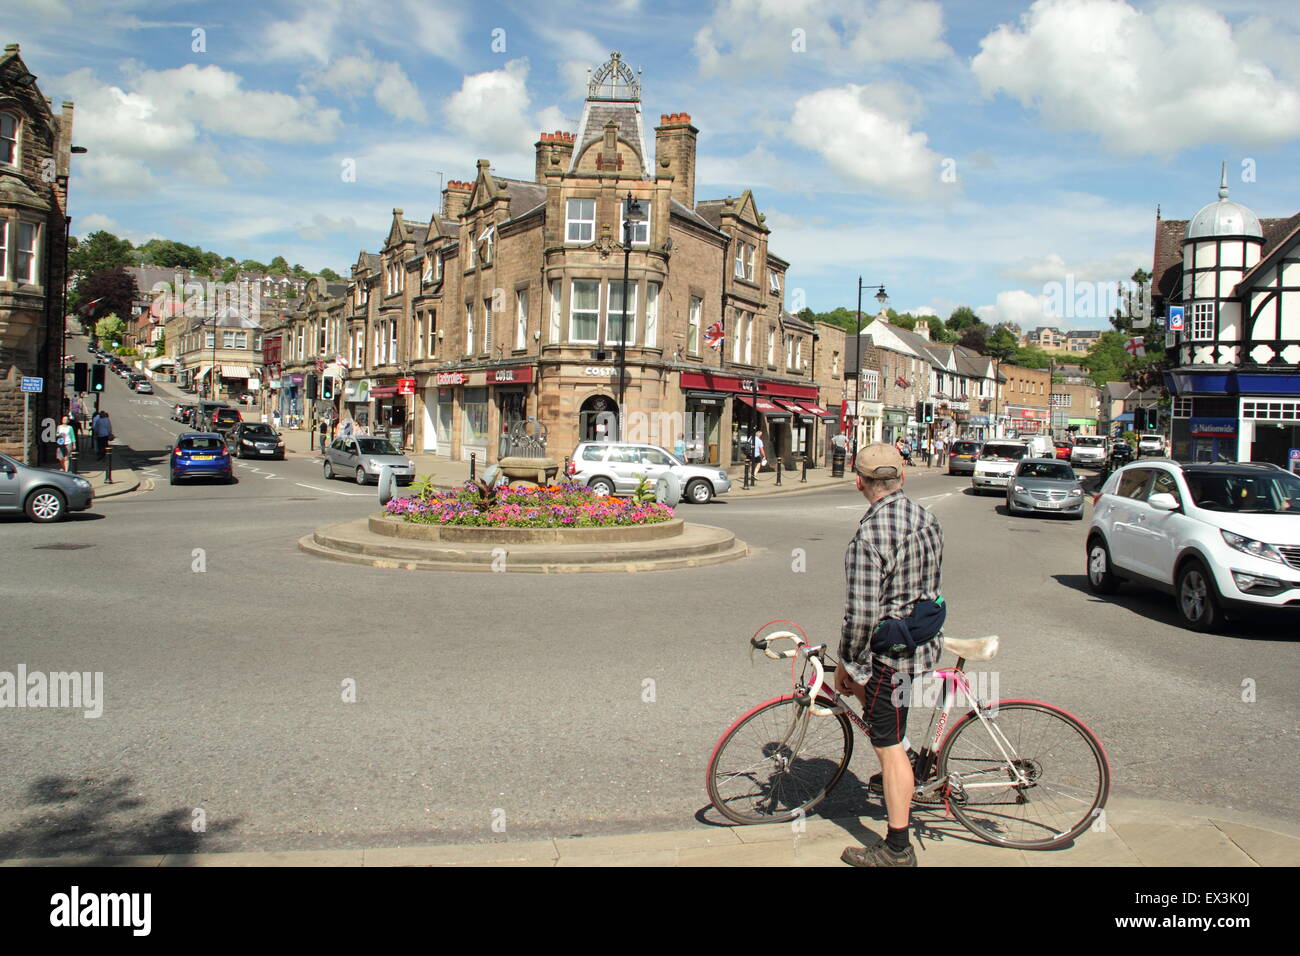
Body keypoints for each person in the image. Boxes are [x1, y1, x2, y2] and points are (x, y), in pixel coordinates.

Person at [835, 443, 945, 867]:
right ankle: (905, 767)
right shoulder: (927, 518)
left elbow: (861, 616)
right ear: (903, 478)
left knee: (889, 745)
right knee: (892, 727)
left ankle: (897, 849)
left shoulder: (869, 535)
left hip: (891, 656)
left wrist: (848, 665)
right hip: (922, 642)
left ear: (858, 482)